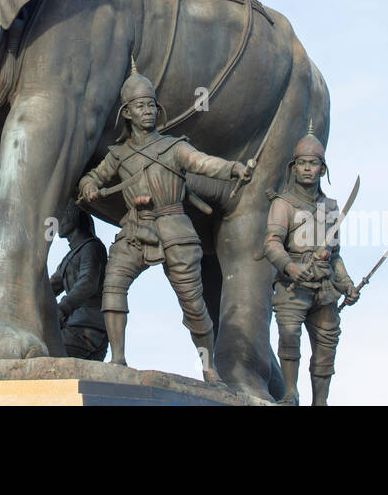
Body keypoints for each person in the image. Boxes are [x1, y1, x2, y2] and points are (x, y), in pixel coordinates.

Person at [79, 63, 250, 383]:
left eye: (151, 105)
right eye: (140, 106)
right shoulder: (118, 155)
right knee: (113, 287)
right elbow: (94, 177)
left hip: (174, 228)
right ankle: (118, 358)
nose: (148, 111)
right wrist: (88, 186)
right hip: (134, 230)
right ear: (127, 113)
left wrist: (233, 169)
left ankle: (208, 368)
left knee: (194, 306)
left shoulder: (175, 147)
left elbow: (203, 163)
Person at [262, 123, 360, 405]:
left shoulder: (330, 207)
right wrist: (290, 267)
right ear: (294, 167)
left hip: (325, 285)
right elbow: (271, 243)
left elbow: (336, 254)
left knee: (327, 345)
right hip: (293, 284)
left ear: (322, 169)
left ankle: (321, 401)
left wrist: (347, 284)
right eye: (302, 163)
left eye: (313, 164)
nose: (307, 168)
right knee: (290, 335)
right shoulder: (283, 204)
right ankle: (290, 392)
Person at [48, 200, 108, 361]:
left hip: (86, 325)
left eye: (61, 216)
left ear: (73, 217)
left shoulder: (91, 247)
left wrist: (62, 308)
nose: (57, 222)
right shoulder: (70, 256)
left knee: (44, 352)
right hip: (77, 322)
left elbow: (87, 283)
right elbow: (50, 287)